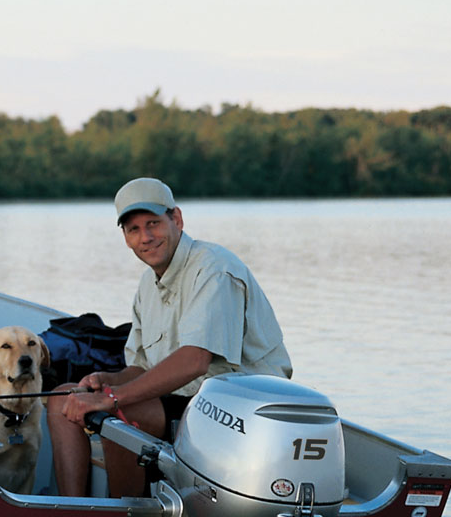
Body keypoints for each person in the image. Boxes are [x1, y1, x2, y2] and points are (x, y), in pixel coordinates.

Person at [46, 177, 292, 498]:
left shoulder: (214, 269)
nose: (145, 237)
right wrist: (107, 379)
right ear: (125, 238)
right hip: (186, 403)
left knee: (121, 413)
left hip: (241, 412)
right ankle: (73, 513)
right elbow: (142, 369)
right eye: (133, 229)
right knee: (64, 397)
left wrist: (112, 397)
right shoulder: (147, 286)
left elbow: (194, 361)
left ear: (176, 219)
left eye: (153, 223)